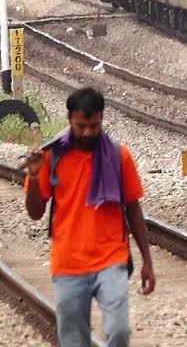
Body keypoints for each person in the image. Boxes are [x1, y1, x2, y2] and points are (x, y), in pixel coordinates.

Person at [23, 87, 155, 347]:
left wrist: (147, 261)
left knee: (119, 331)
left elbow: (133, 210)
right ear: (70, 119)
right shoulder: (51, 157)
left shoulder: (118, 156)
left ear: (102, 118)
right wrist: (35, 176)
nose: (87, 132)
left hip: (112, 259)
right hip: (68, 262)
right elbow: (35, 213)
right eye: (81, 126)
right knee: (73, 340)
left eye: (93, 126)